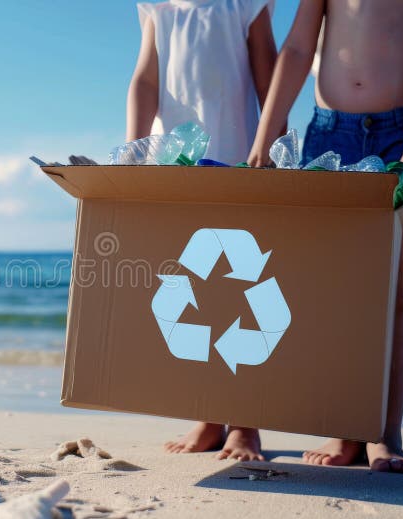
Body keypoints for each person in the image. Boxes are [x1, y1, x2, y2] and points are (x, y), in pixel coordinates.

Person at [248, 0, 403, 474]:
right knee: (333, 291)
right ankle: (344, 424)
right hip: (329, 135)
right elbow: (297, 48)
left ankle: (384, 432)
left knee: (392, 288)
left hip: (400, 136)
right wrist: (266, 133)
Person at [128, 0, 280, 461]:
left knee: (242, 289)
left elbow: (268, 79)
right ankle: (209, 414)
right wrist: (134, 151)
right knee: (193, 289)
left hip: (239, 163)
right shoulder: (159, 5)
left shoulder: (243, 5)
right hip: (178, 166)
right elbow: (146, 79)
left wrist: (271, 146)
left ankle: (247, 423)